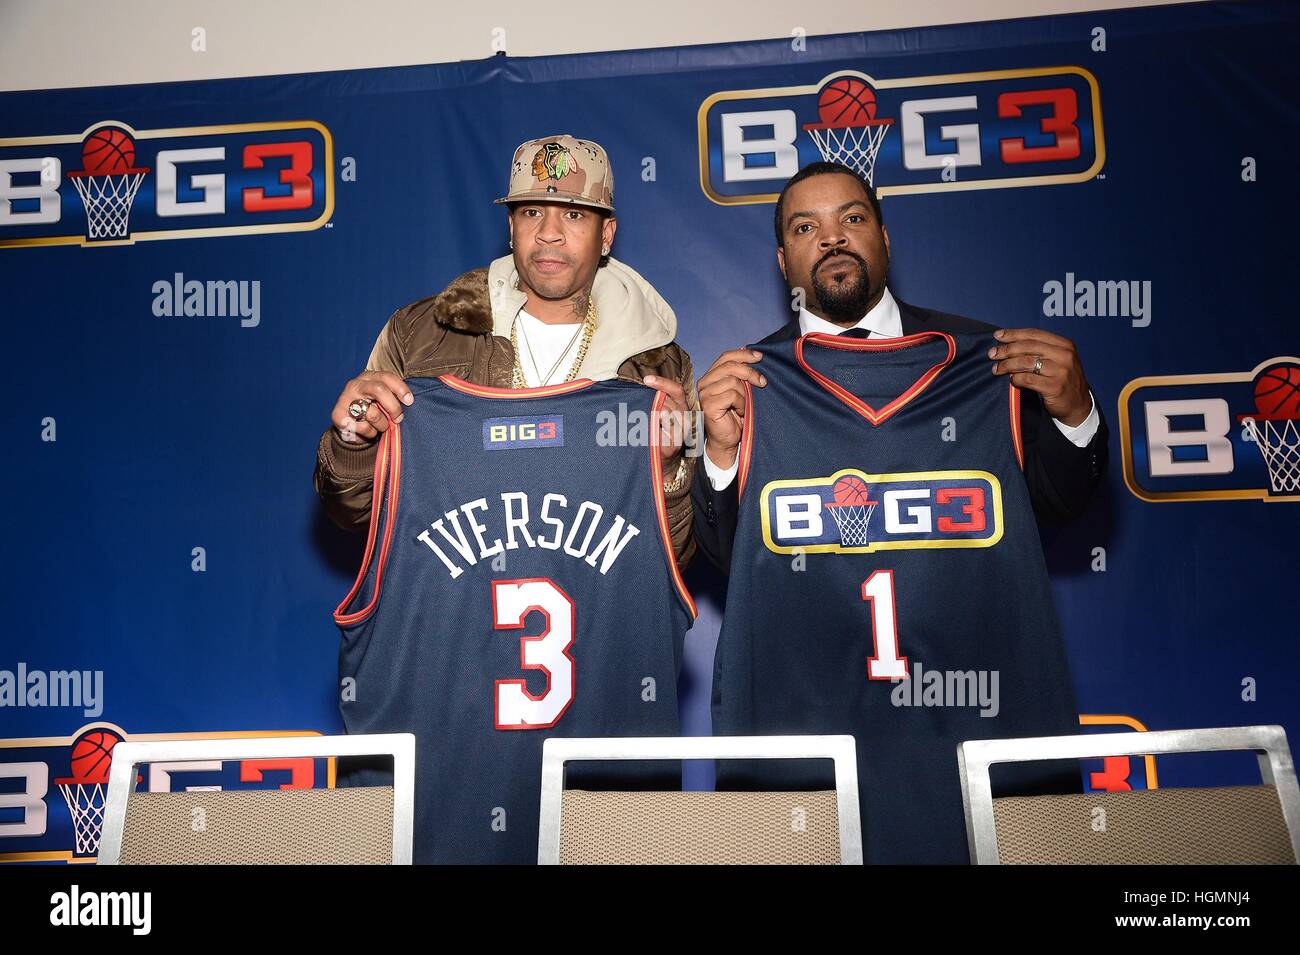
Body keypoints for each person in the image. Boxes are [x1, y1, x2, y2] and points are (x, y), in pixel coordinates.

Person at [317, 136, 699, 862]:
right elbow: (353, 512)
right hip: (449, 727)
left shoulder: (655, 367)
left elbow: (671, 556)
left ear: (607, 231)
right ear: (510, 224)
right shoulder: (422, 335)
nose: (549, 232)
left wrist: (673, 465)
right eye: (530, 211)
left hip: (595, 731)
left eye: (574, 214)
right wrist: (351, 439)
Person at [692, 161, 1107, 571]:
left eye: (852, 218)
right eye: (806, 227)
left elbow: (1058, 504)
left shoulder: (986, 360)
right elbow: (731, 558)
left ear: (885, 239)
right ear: (783, 262)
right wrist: (722, 455)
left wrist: (1075, 415)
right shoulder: (749, 385)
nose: (833, 238)